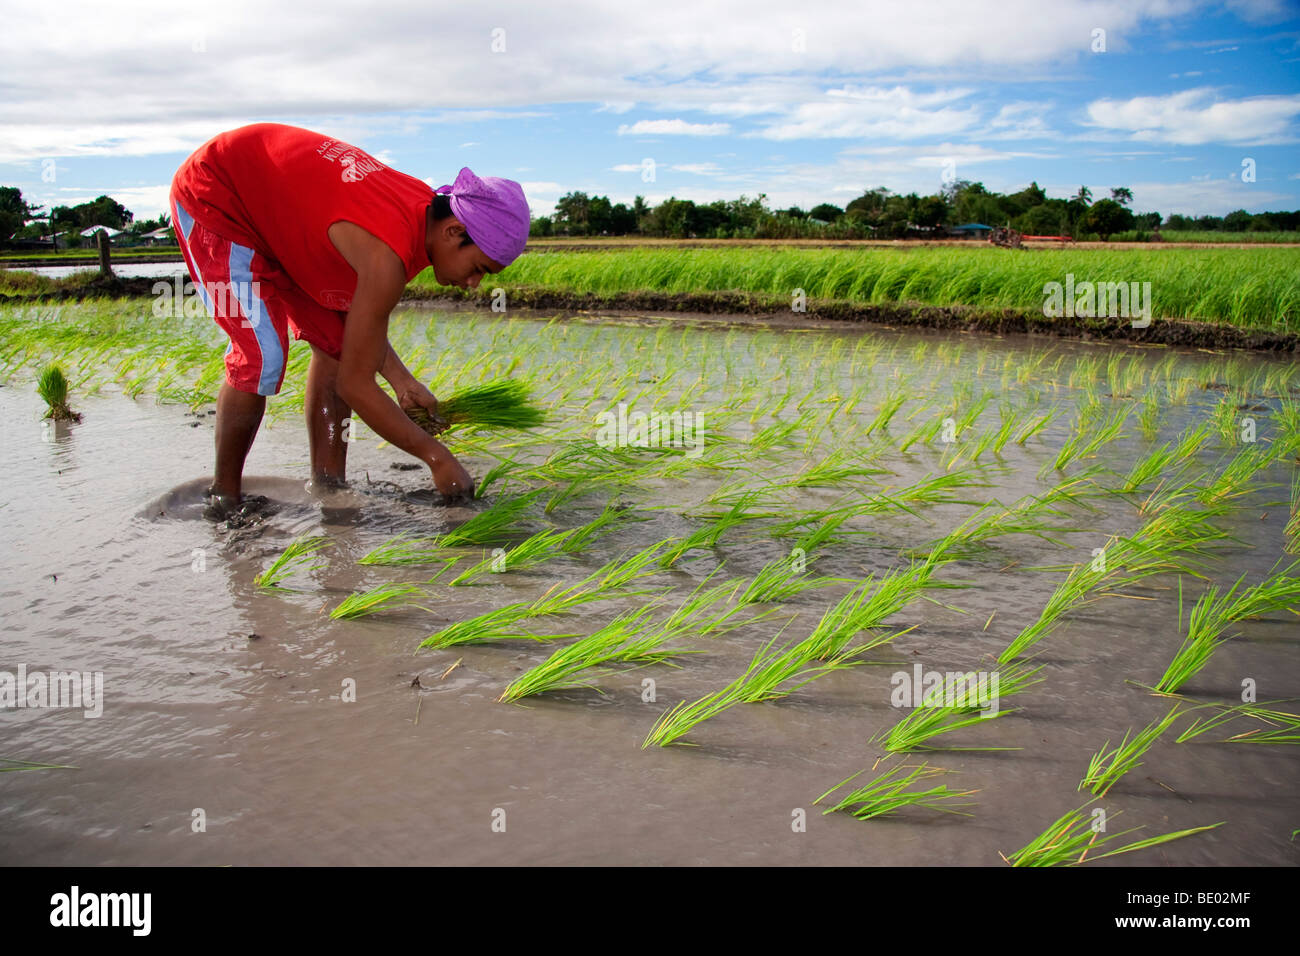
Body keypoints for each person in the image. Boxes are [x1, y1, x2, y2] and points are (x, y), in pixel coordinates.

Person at [168, 122, 529, 516]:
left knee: (336, 348)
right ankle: (224, 498)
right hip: (220, 195)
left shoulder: (417, 220)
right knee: (261, 355)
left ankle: (328, 487)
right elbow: (356, 386)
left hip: (277, 220)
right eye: (478, 268)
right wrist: (437, 458)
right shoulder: (387, 254)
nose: (474, 284)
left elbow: (357, 335)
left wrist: (403, 382)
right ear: (454, 231)